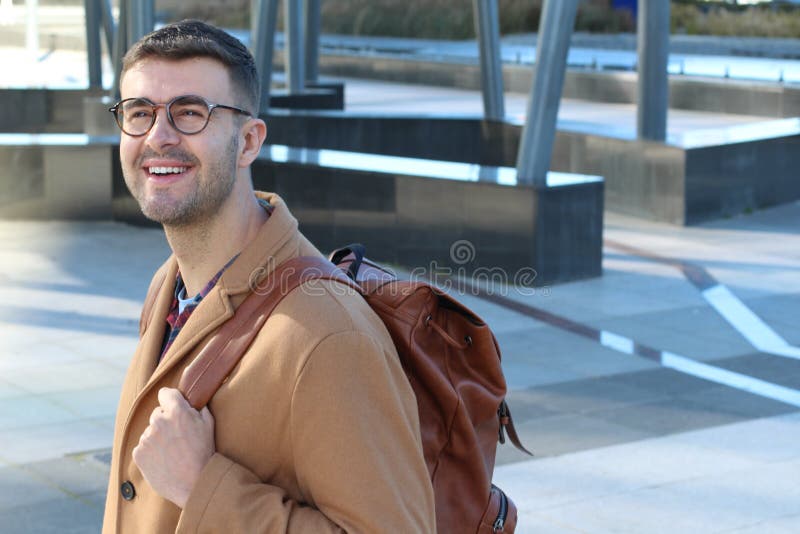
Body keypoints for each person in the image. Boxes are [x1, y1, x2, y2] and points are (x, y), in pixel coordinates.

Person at [101, 20, 436, 533]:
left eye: (191, 113)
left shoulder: (329, 334)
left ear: (248, 142)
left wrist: (202, 488)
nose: (158, 136)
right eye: (139, 113)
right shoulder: (168, 286)